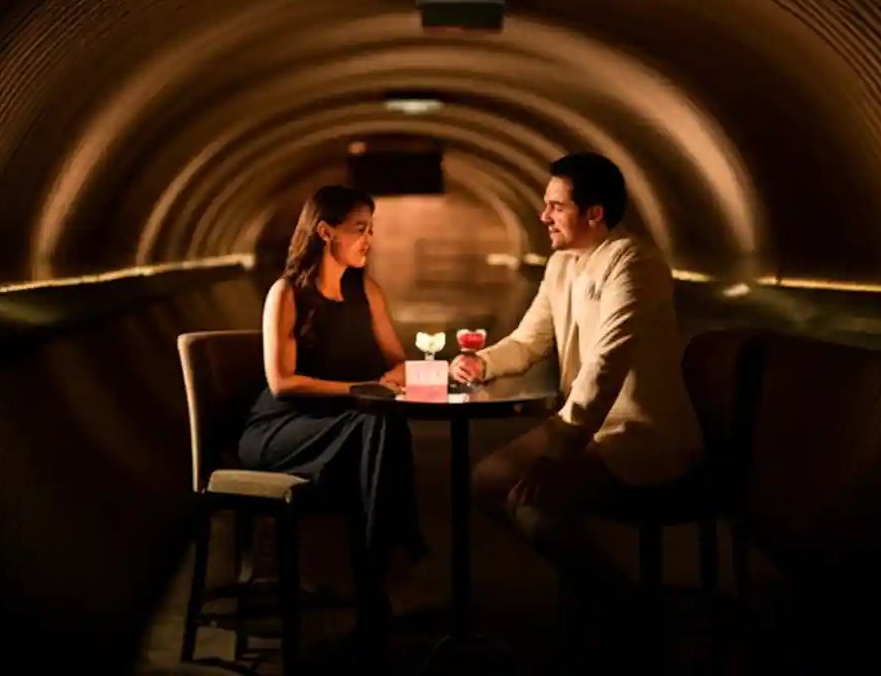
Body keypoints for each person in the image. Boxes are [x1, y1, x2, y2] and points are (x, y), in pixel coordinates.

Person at [450, 152, 704, 650]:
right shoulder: (563, 264)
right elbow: (530, 339)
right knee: (484, 483)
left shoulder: (635, 262)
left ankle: (619, 610)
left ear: (594, 213)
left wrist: (559, 449)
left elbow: (605, 366)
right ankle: (603, 593)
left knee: (535, 506)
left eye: (555, 206)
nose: (543, 216)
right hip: (584, 425)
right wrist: (484, 364)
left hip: (637, 432)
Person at [237, 185, 427, 661]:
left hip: (346, 432)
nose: (369, 240)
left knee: (379, 429)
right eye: (360, 230)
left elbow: (399, 364)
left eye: (371, 230)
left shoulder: (368, 292)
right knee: (377, 427)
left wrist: (391, 378)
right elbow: (282, 383)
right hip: (280, 430)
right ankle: (385, 575)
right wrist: (361, 390)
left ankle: (373, 594)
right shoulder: (286, 294)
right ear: (326, 232)